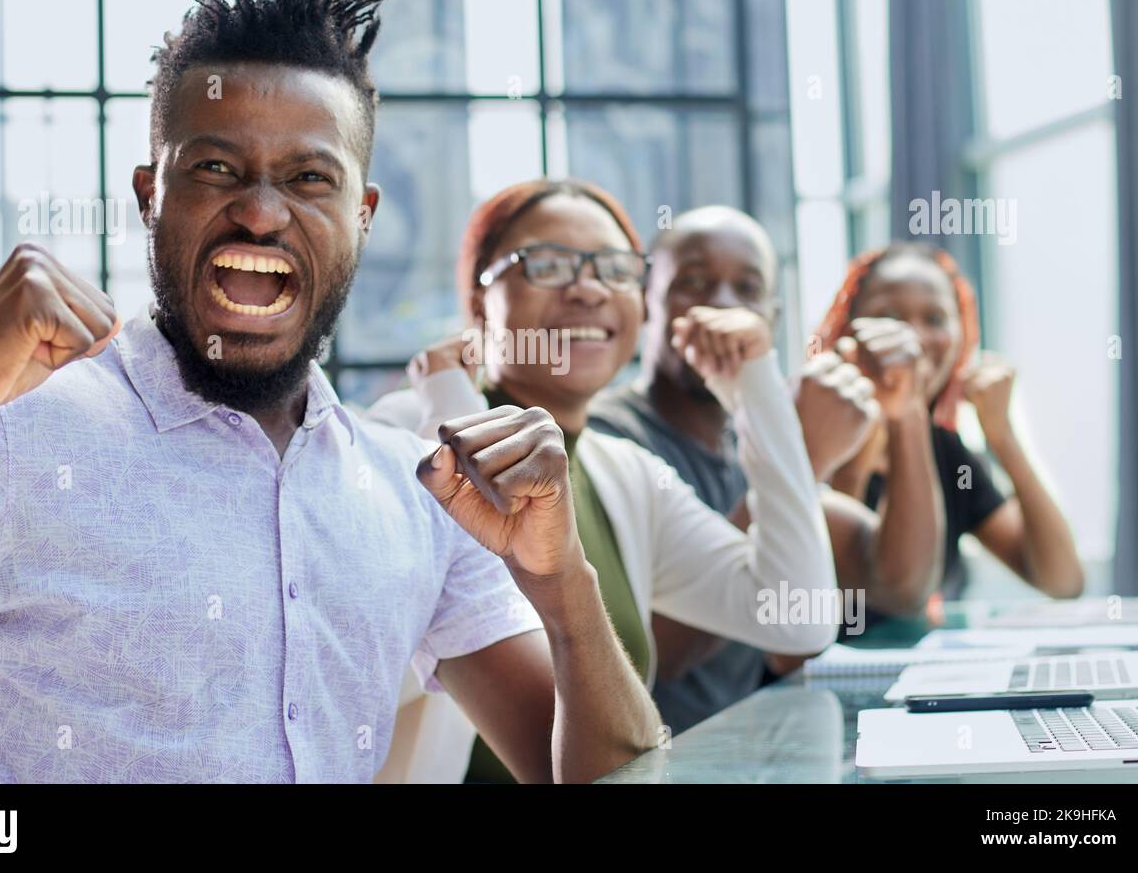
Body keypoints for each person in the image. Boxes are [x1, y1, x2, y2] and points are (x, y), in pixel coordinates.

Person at [0, 0, 664, 783]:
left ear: (362, 217)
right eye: (214, 169)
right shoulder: (12, 430)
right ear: (150, 197)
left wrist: (561, 578)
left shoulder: (415, 489)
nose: (259, 210)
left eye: (309, 178)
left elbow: (600, 777)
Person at [366, 180, 838, 782]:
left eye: (614, 269)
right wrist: (450, 399)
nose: (587, 288)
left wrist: (757, 389)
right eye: (548, 264)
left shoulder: (627, 473)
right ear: (481, 304)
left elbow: (800, 616)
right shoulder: (404, 434)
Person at [588, 206, 945, 733]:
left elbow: (898, 584)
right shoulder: (608, 440)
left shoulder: (748, 434)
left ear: (771, 318)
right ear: (645, 302)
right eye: (692, 282)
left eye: (747, 287)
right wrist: (803, 458)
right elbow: (651, 652)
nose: (721, 304)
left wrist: (906, 410)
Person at [815, 242, 1084, 600]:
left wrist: (1003, 437)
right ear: (848, 330)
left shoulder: (947, 452)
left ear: (963, 336)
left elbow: (1062, 581)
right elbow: (846, 588)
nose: (913, 338)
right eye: (890, 317)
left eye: (935, 319)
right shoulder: (822, 433)